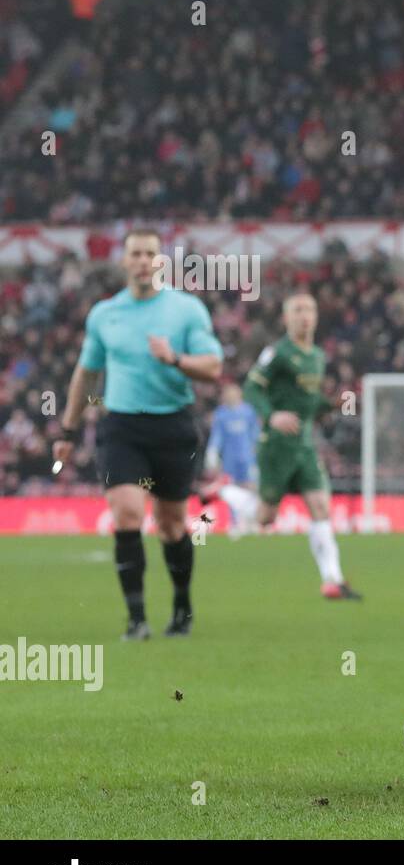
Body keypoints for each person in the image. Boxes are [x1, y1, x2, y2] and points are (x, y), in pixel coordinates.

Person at [52, 228, 223, 639]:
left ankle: (181, 607)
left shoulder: (186, 311)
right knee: (127, 513)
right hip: (122, 425)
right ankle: (136, 619)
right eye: (136, 254)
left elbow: (214, 367)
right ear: (124, 261)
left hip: (173, 424)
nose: (143, 260)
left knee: (171, 525)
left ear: (160, 261)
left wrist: (175, 358)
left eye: (150, 253)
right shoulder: (105, 314)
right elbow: (86, 374)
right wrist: (68, 429)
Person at [243, 292, 361, 599]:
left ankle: (333, 580)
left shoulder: (318, 356)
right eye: (297, 309)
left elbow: (308, 403)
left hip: (304, 445)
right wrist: (272, 416)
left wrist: (331, 404)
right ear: (286, 317)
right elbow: (251, 387)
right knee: (265, 517)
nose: (304, 315)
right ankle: (223, 493)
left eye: (309, 309)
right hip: (276, 445)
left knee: (321, 506)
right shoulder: (278, 353)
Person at [198, 382, 261, 538]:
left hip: (248, 458)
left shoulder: (248, 412)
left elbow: (255, 434)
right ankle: (235, 523)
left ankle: (252, 520)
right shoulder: (221, 414)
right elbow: (217, 436)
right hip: (229, 460)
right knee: (231, 490)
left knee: (252, 489)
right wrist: (212, 452)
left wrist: (258, 452)